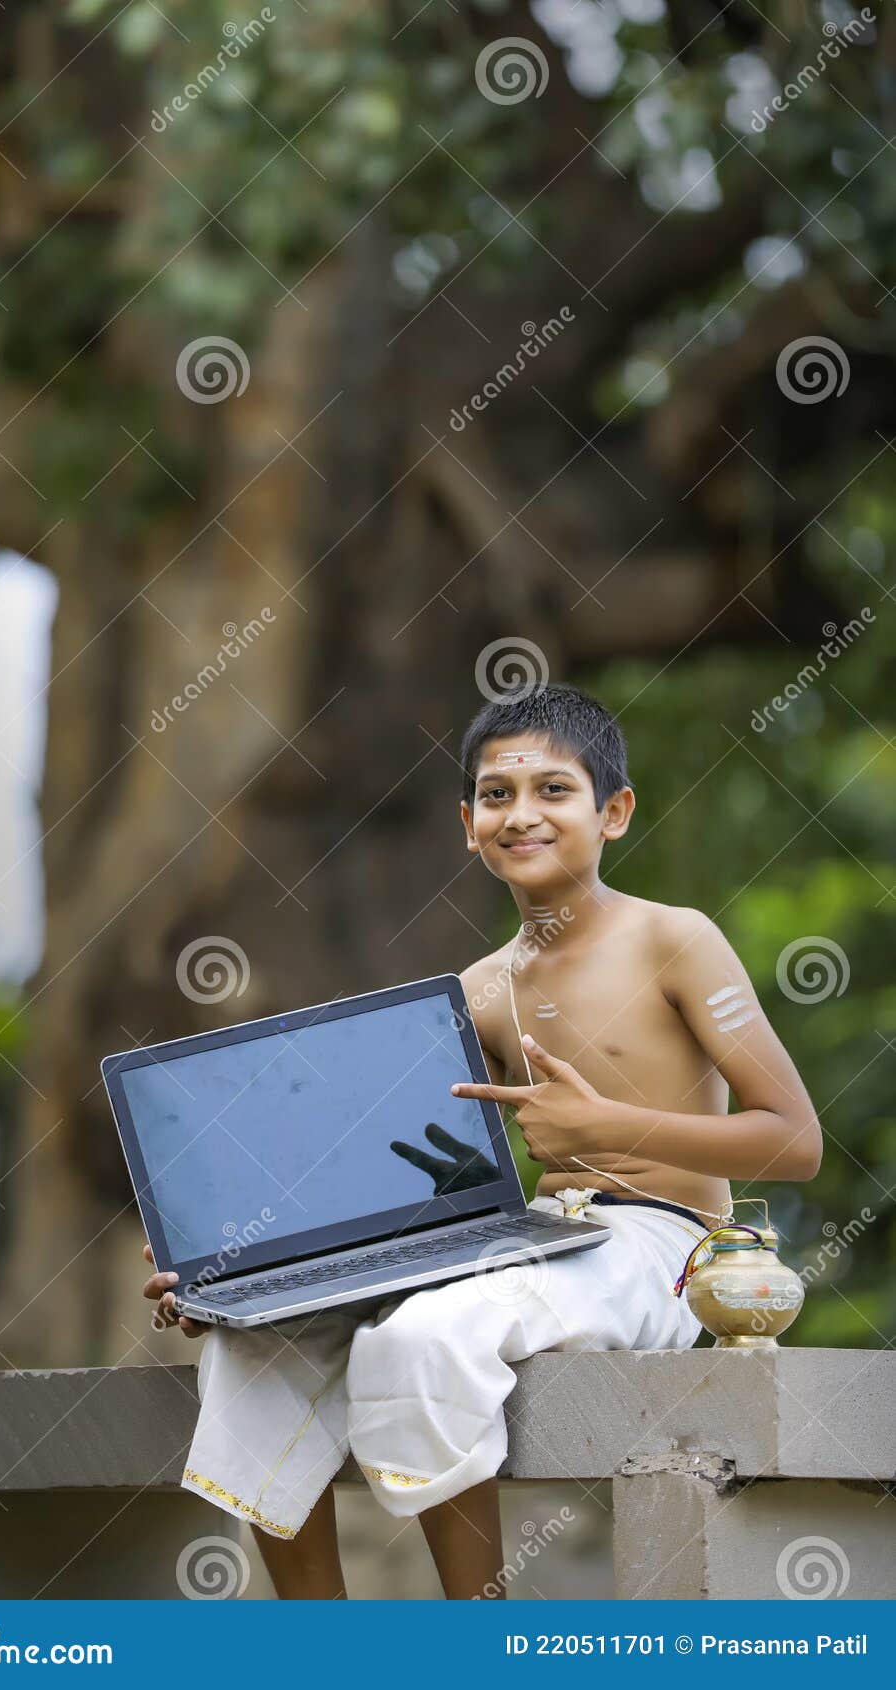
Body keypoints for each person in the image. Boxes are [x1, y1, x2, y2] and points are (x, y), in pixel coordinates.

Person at [141, 681, 822, 1599]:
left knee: (418, 1339)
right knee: (251, 1339)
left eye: (553, 790)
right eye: (497, 796)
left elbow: (794, 1140)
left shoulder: (673, 940)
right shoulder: (478, 991)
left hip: (665, 1246)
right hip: (537, 1239)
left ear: (612, 812)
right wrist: (229, 1263)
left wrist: (604, 1127)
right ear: (468, 823)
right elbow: (371, 1176)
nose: (521, 814)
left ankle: (478, 1631)